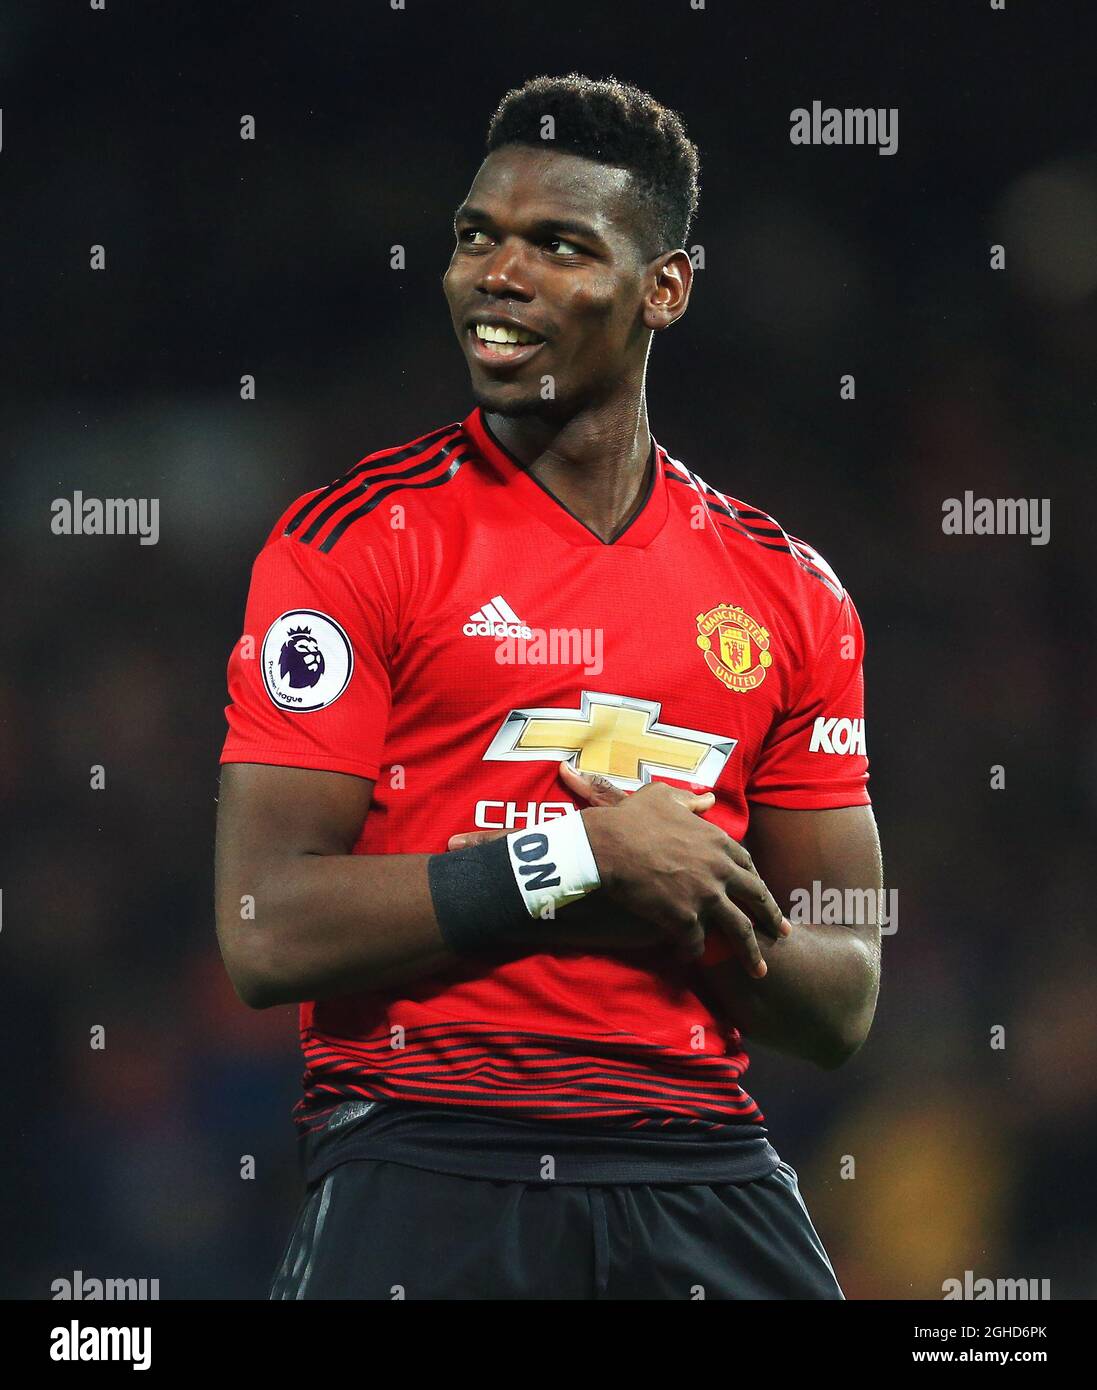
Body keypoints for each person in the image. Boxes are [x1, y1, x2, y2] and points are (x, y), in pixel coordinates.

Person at [214, 73, 883, 1300]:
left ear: (661, 290)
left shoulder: (787, 593)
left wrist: (689, 906)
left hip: (699, 1158)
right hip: (429, 1147)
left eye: (556, 245)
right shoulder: (350, 545)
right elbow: (263, 927)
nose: (494, 273)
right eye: (477, 236)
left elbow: (840, 996)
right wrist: (576, 867)